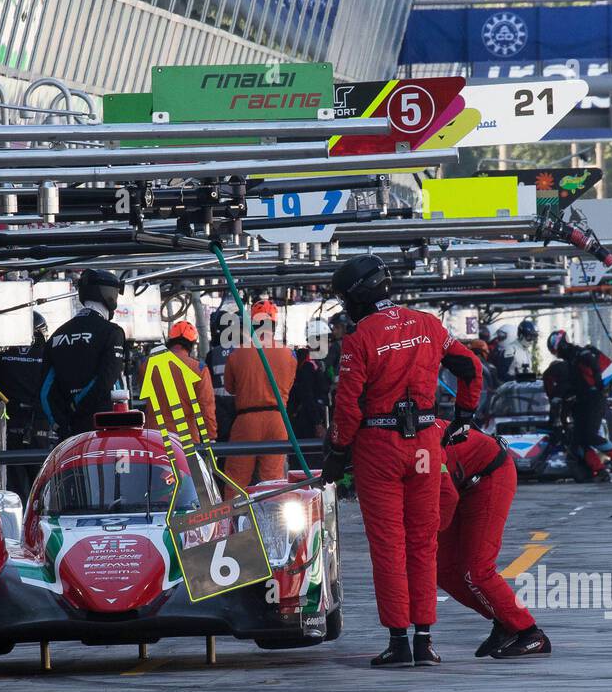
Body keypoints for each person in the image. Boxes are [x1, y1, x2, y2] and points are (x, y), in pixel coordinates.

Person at [322, 255, 482, 667]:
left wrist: (337, 454)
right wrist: (464, 418)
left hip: (379, 447)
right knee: (423, 541)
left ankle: (398, 642)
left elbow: (348, 408)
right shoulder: (429, 325)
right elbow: (470, 367)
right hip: (427, 444)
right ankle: (425, 641)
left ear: (356, 296)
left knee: (389, 545)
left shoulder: (358, 340)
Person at [437, 419, 550, 659]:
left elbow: (445, 498)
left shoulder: (419, 437)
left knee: (477, 569)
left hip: (490, 475)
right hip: (463, 481)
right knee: (441, 568)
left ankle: (531, 633)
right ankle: (505, 622)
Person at [41, 268, 127, 440]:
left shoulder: (57, 335)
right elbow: (107, 379)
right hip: (104, 426)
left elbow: (45, 391)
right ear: (109, 295)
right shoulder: (112, 332)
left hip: (69, 432)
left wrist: (60, 424)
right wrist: (77, 406)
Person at [222, 300, 297, 496]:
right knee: (272, 480)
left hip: (246, 421)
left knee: (236, 479)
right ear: (275, 323)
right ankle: (273, 523)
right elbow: (288, 385)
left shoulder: (237, 353)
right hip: (277, 420)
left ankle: (231, 523)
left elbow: (230, 388)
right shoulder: (289, 354)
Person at [0, 312, 52, 498]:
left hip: (8, 425)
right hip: (39, 427)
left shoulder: (1, 354)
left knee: (13, 487)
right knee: (41, 487)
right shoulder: (46, 355)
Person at [547, 329, 612, 482]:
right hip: (582, 402)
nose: (558, 355)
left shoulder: (580, 354)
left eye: (557, 351)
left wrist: (598, 385)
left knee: (590, 436)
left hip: (593, 400)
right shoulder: (571, 362)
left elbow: (594, 367)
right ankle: (599, 470)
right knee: (578, 441)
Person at [144, 321, 217, 446]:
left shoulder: (147, 366)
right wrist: (210, 436)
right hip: (186, 440)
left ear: (170, 340)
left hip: (154, 438)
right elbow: (206, 407)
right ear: (191, 344)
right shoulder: (198, 369)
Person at [205, 306, 239, 441]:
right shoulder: (244, 352)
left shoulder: (212, 354)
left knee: (223, 449)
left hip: (219, 408)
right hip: (240, 406)